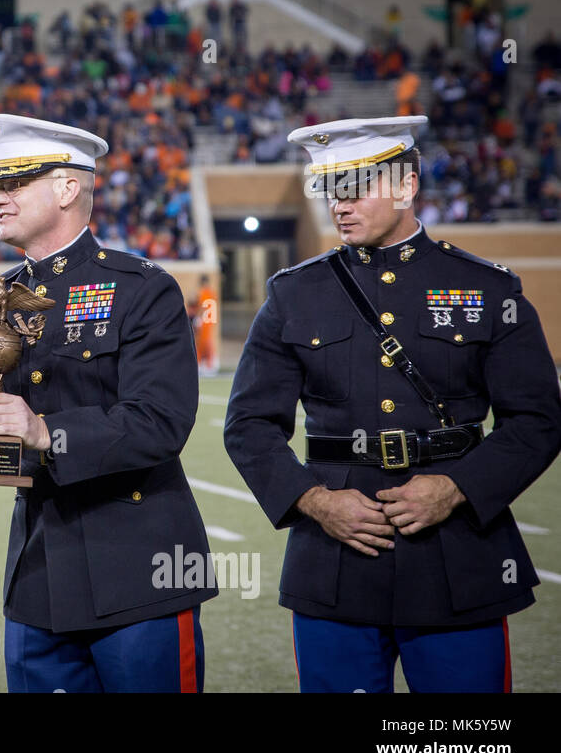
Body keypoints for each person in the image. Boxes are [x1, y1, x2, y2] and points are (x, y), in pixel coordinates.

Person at [224, 115, 561, 692]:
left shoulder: (486, 289)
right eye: (333, 189)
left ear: (406, 186)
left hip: (457, 553)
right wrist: (313, 500)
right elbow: (249, 424)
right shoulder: (292, 293)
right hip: (334, 555)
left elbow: (536, 420)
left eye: (356, 188)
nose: (340, 205)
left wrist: (457, 488)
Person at [0, 114, 215, 692]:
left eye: (16, 182)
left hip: (139, 573)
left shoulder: (143, 288)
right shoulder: (3, 298)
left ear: (68, 188)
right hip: (40, 574)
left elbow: (160, 422)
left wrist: (45, 433)